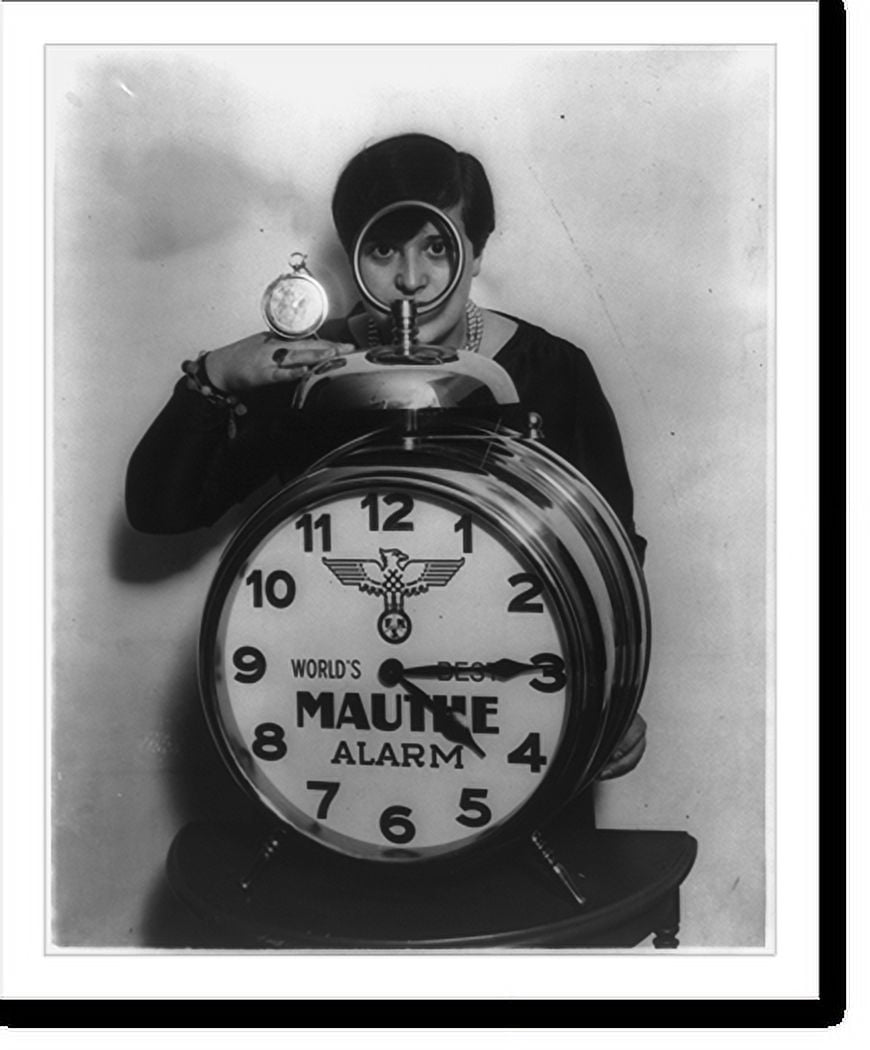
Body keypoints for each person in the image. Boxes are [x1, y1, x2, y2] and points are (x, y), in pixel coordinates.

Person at [126, 132, 647, 783]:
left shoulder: (553, 370)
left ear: (476, 253)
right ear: (352, 258)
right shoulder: (307, 372)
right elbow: (161, 511)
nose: (410, 279)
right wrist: (216, 375)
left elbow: (611, 552)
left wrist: (615, 694)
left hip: (511, 701)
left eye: (437, 247)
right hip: (348, 710)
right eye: (383, 250)